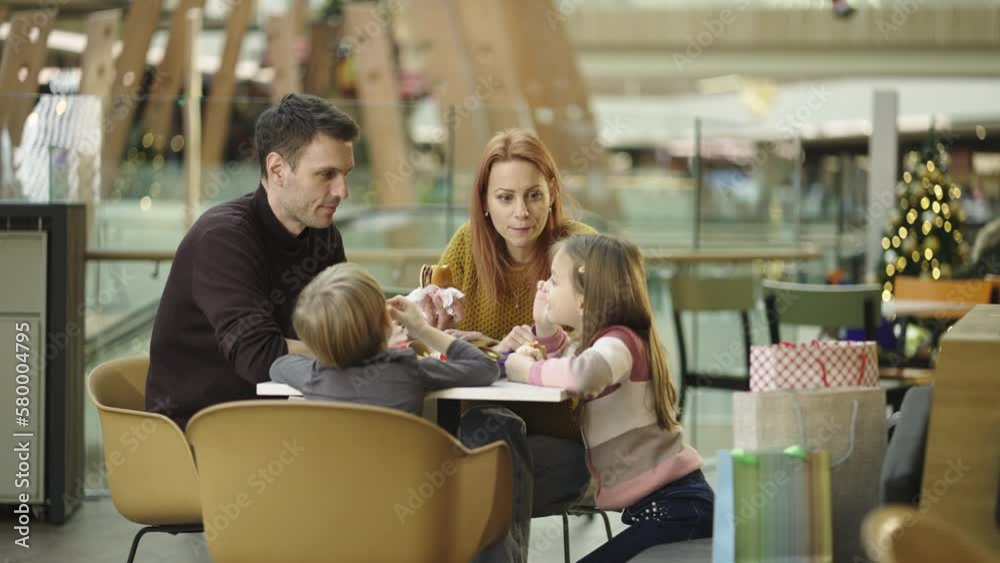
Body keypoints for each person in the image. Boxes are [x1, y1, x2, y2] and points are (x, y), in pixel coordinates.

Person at [270, 263, 531, 563]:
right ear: (386, 321)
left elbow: (278, 366)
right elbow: (485, 368)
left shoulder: (315, 375)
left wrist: (328, 355)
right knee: (498, 422)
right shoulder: (406, 367)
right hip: (420, 517)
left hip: (339, 522)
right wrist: (422, 328)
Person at [146, 94, 360, 429]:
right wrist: (360, 351)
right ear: (277, 169)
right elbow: (260, 357)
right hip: (204, 433)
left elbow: (346, 325)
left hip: (283, 421)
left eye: (345, 173)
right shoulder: (222, 238)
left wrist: (414, 324)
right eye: (327, 174)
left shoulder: (322, 233)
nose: (342, 191)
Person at [505, 234, 714, 563]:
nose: (546, 284)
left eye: (556, 280)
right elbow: (573, 358)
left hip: (677, 510)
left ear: (584, 300)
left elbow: (584, 374)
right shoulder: (606, 342)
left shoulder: (621, 343)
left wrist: (525, 371)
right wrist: (544, 328)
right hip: (671, 509)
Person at [421, 129, 597, 518]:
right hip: (474, 433)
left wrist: (524, 349)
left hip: (565, 441)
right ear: (484, 201)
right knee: (457, 465)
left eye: (533, 195)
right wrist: (444, 336)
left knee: (478, 485)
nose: (522, 212)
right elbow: (429, 350)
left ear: (551, 192)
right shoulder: (467, 246)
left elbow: (603, 357)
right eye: (505, 198)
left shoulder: (582, 250)